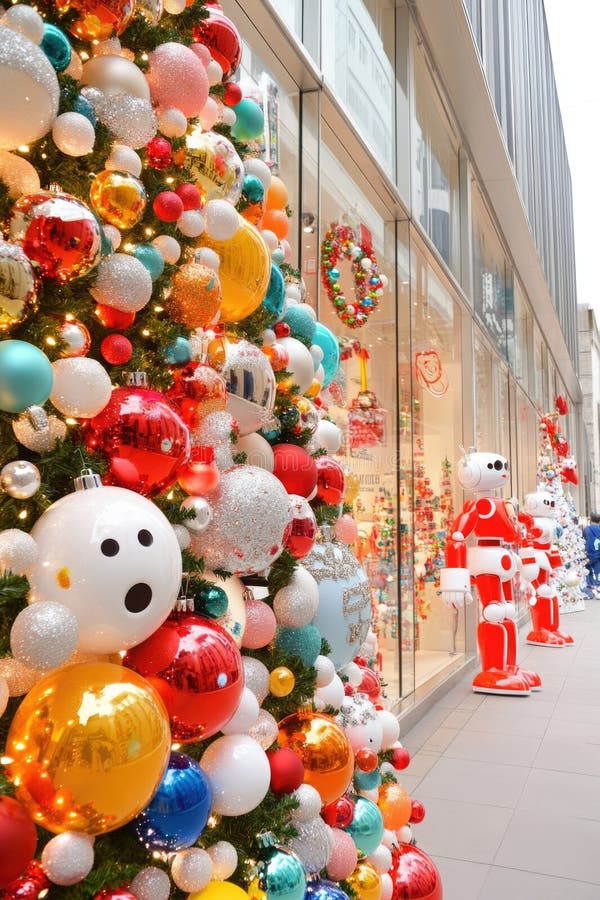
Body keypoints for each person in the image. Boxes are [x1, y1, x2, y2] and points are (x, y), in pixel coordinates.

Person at [583, 513, 600, 595]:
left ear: (590, 520)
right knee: (597, 569)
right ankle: (598, 586)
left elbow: (583, 540)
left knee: (588, 570)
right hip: (598, 553)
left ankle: (590, 587)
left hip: (588, 553)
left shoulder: (586, 529)